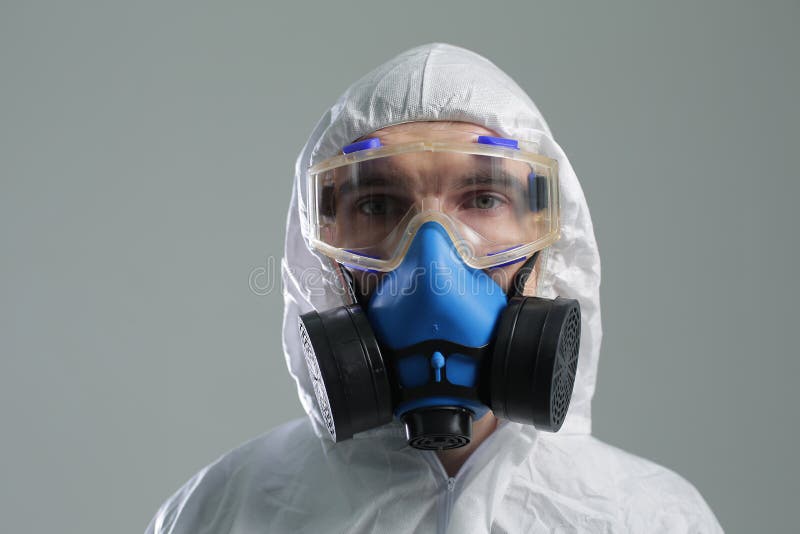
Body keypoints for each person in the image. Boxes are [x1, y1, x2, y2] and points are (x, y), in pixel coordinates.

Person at [146, 43, 723, 533]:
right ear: (320, 255)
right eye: (377, 204)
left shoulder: (650, 518)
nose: (432, 260)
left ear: (548, 246)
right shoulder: (225, 512)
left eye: (483, 199)